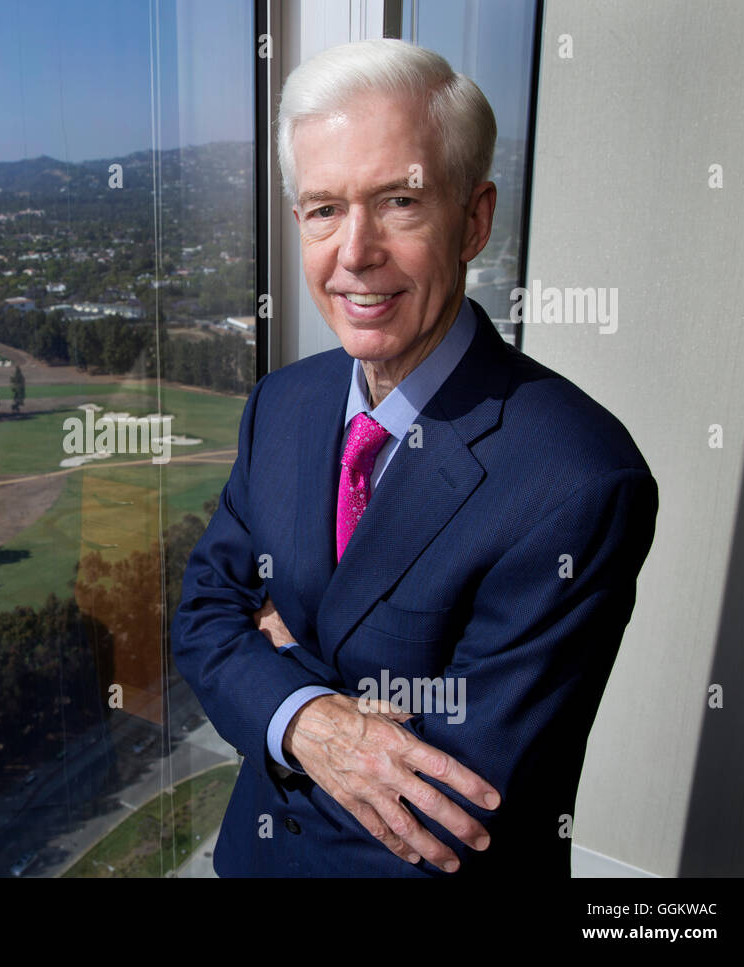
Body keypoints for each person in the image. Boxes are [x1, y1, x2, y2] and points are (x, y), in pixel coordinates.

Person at [170, 39, 658, 877]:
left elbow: (449, 811)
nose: (354, 253)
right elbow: (202, 620)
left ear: (474, 219)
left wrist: (276, 664)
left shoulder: (579, 481)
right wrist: (317, 717)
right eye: (324, 209)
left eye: (398, 202)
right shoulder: (281, 406)